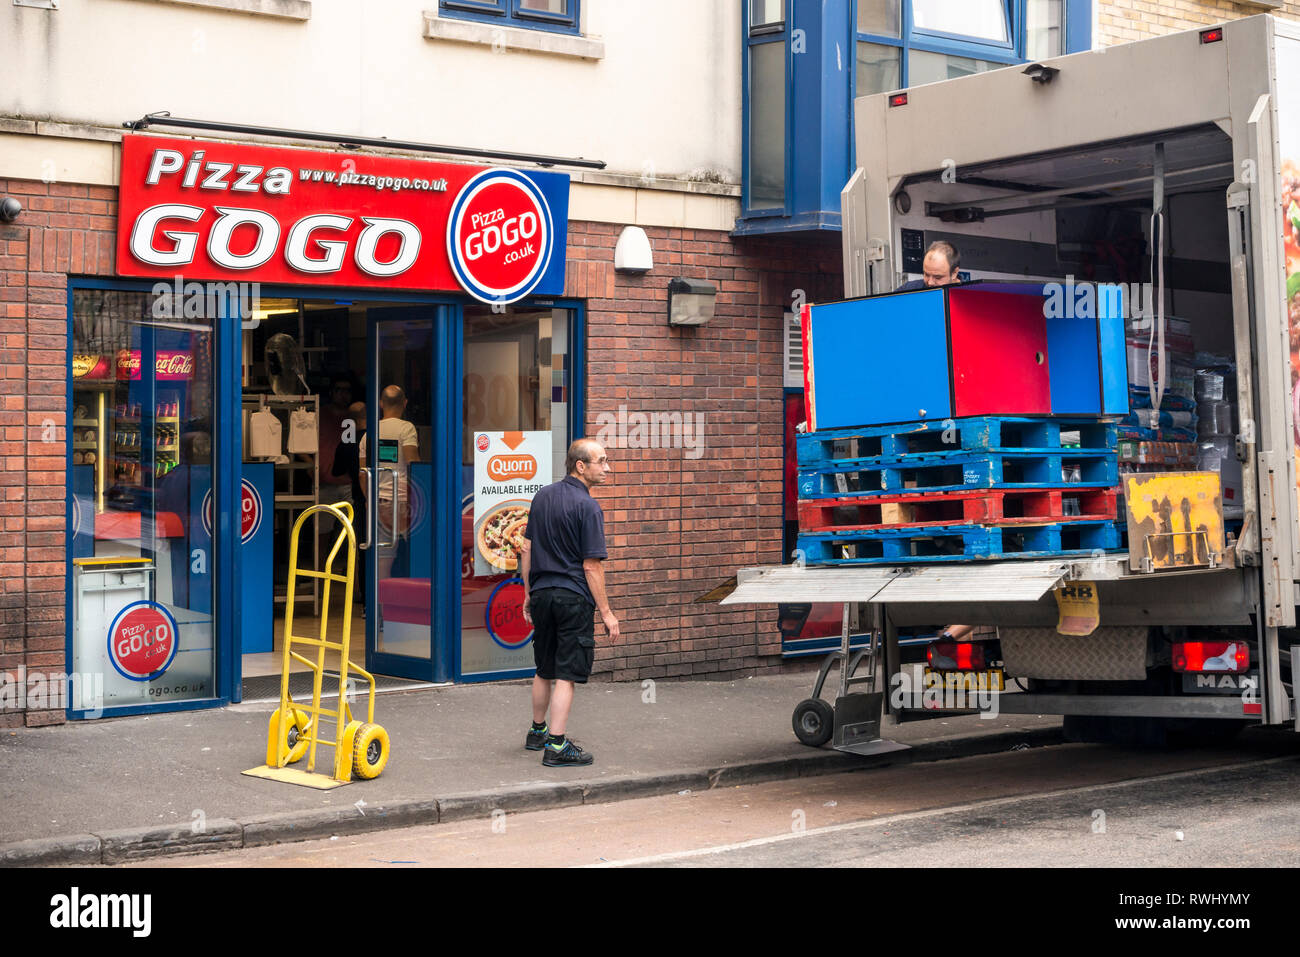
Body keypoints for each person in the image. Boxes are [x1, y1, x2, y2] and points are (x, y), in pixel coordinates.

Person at [519, 438, 619, 768]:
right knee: (566, 673)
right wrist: (606, 612)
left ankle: (537, 732)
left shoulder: (543, 496)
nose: (607, 468)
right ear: (580, 466)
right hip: (572, 597)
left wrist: (528, 594)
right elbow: (592, 566)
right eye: (601, 461)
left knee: (543, 667)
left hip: (543, 594)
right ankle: (558, 746)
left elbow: (526, 549)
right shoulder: (588, 507)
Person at [359, 385, 420, 580]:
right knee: (415, 556)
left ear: (381, 404)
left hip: (378, 502)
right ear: (405, 403)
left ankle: (380, 609)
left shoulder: (369, 433)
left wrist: (369, 499)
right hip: (403, 503)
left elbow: (362, 473)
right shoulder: (406, 428)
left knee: (382, 562)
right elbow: (413, 464)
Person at [896, 240, 961, 291]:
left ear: (954, 273)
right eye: (926, 275)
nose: (930, 283)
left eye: (938, 277)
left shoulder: (968, 296)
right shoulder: (909, 290)